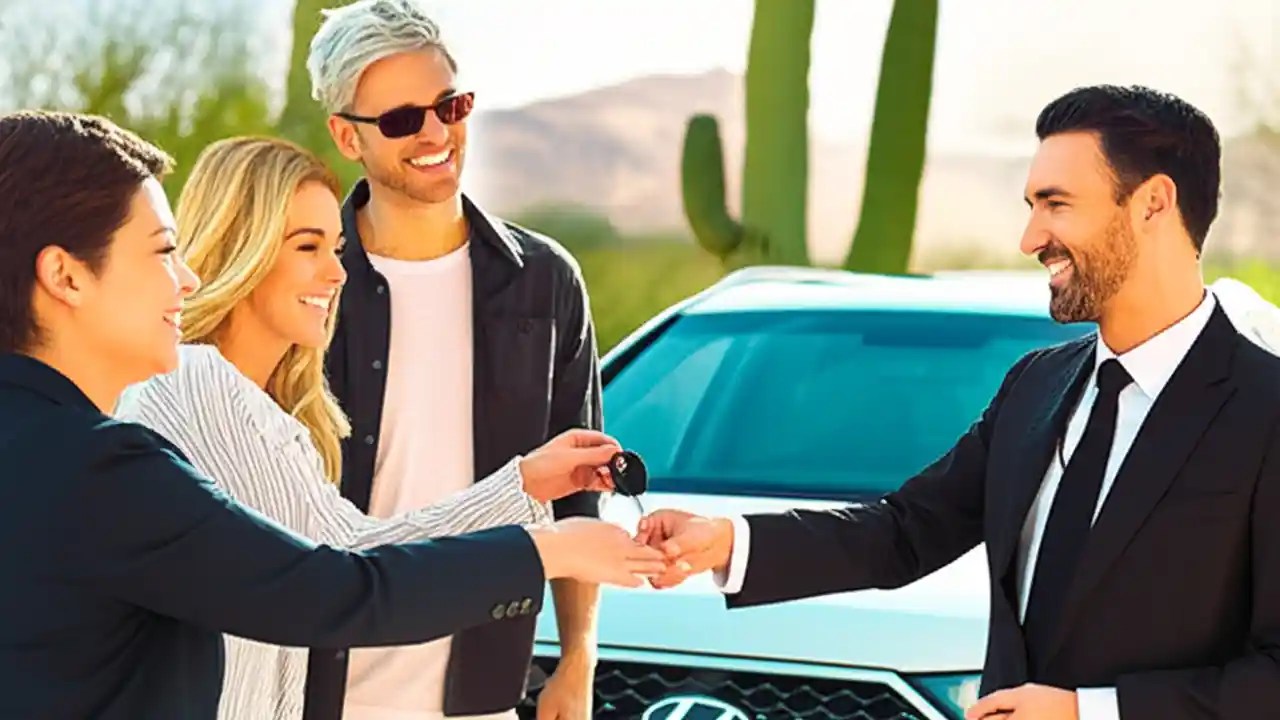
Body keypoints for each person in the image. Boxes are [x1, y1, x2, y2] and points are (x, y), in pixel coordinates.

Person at [637, 85, 1280, 720]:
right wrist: (726, 541)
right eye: (1032, 206)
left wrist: (1089, 713)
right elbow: (905, 530)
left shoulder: (1267, 410)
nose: (1031, 238)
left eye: (1056, 204)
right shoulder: (1037, 384)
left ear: (1153, 203)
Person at [0, 110, 667, 720]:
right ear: (65, 276)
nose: (188, 278)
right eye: (161, 251)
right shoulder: (106, 460)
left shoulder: (49, 445)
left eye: (337, 249)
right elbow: (336, 584)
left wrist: (523, 488)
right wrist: (547, 548)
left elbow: (340, 560)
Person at [303, 2, 607, 718]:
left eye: (451, 105)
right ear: (348, 136)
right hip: (314, 683)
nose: (437, 133)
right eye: (404, 120)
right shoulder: (305, 280)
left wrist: (578, 657)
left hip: (480, 688)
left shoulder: (545, 281)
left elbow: (577, 489)